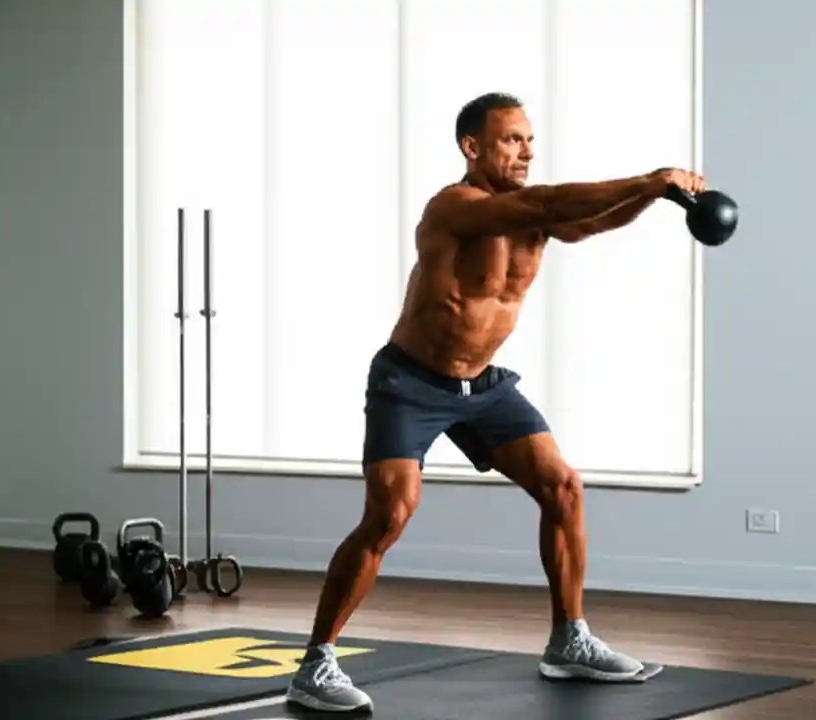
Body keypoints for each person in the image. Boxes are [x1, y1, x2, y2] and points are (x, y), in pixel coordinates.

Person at [285, 92, 707, 713]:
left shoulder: (535, 218)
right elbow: (548, 202)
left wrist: (658, 197)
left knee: (563, 487)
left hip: (482, 387)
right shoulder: (454, 207)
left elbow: (586, 220)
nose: (526, 151)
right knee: (391, 515)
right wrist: (649, 177)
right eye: (512, 140)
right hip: (411, 382)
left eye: (530, 140)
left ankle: (570, 640)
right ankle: (316, 662)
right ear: (472, 147)